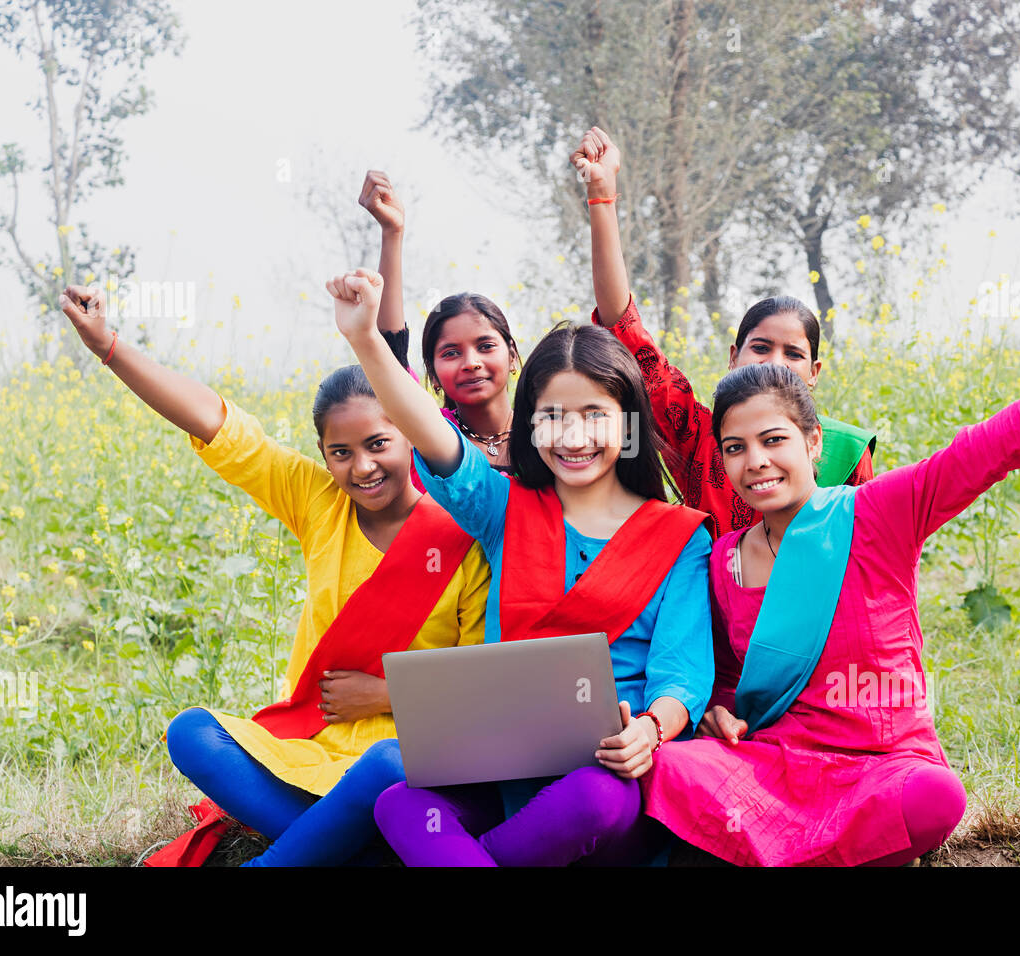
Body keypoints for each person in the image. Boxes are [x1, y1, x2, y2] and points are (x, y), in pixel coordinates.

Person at [638, 287, 1020, 866]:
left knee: (935, 798)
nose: (755, 461)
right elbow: (731, 678)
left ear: (814, 443)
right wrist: (718, 711)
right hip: (774, 764)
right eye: (735, 448)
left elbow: (991, 447)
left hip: (881, 765)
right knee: (669, 766)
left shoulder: (878, 514)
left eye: (774, 440)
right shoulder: (723, 561)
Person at [58, 283, 489, 867]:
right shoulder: (318, 503)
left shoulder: (463, 534)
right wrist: (110, 346)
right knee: (191, 732)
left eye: (378, 444)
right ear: (323, 453)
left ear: (410, 433)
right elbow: (218, 426)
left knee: (385, 767)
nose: (362, 466)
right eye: (341, 452)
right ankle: (353, 849)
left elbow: (477, 685)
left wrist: (386, 694)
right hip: (310, 751)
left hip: (408, 759)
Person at [324, 267, 714, 865]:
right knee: (401, 804)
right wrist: (365, 341)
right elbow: (432, 433)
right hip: (500, 776)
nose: (574, 436)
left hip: (607, 777)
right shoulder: (502, 509)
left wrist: (651, 730)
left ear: (630, 424)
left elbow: (682, 673)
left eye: (594, 414)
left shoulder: (680, 535)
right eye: (554, 415)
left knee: (594, 798)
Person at [573, 126, 876, 539]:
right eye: (761, 347)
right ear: (734, 358)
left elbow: (866, 552)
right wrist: (601, 197)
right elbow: (622, 325)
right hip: (713, 604)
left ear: (815, 371)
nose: (775, 363)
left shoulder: (845, 451)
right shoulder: (697, 436)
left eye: (793, 353)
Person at [360, 169, 521, 472]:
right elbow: (388, 354)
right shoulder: (426, 433)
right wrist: (392, 233)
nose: (471, 362)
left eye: (485, 345)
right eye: (451, 353)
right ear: (433, 376)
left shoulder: (545, 434)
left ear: (512, 356)